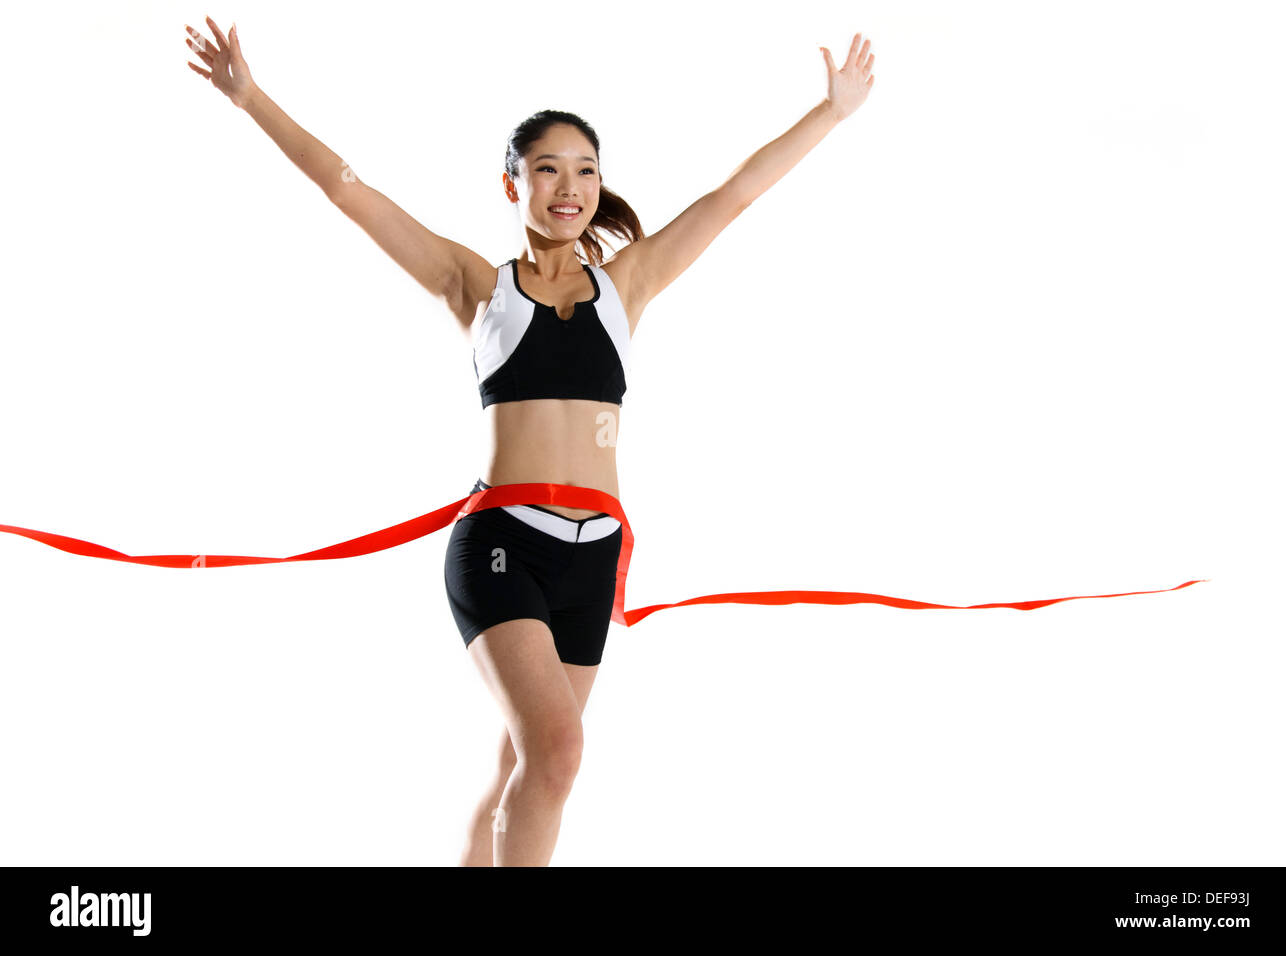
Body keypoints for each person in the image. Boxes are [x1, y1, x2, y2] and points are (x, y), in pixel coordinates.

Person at [184, 16, 875, 866]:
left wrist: (830, 112)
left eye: (586, 170)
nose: (569, 186)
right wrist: (252, 98)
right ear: (512, 184)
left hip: (594, 552)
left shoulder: (629, 283)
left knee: (525, 764)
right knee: (558, 753)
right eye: (547, 168)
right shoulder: (477, 284)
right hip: (503, 543)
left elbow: (732, 196)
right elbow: (347, 187)